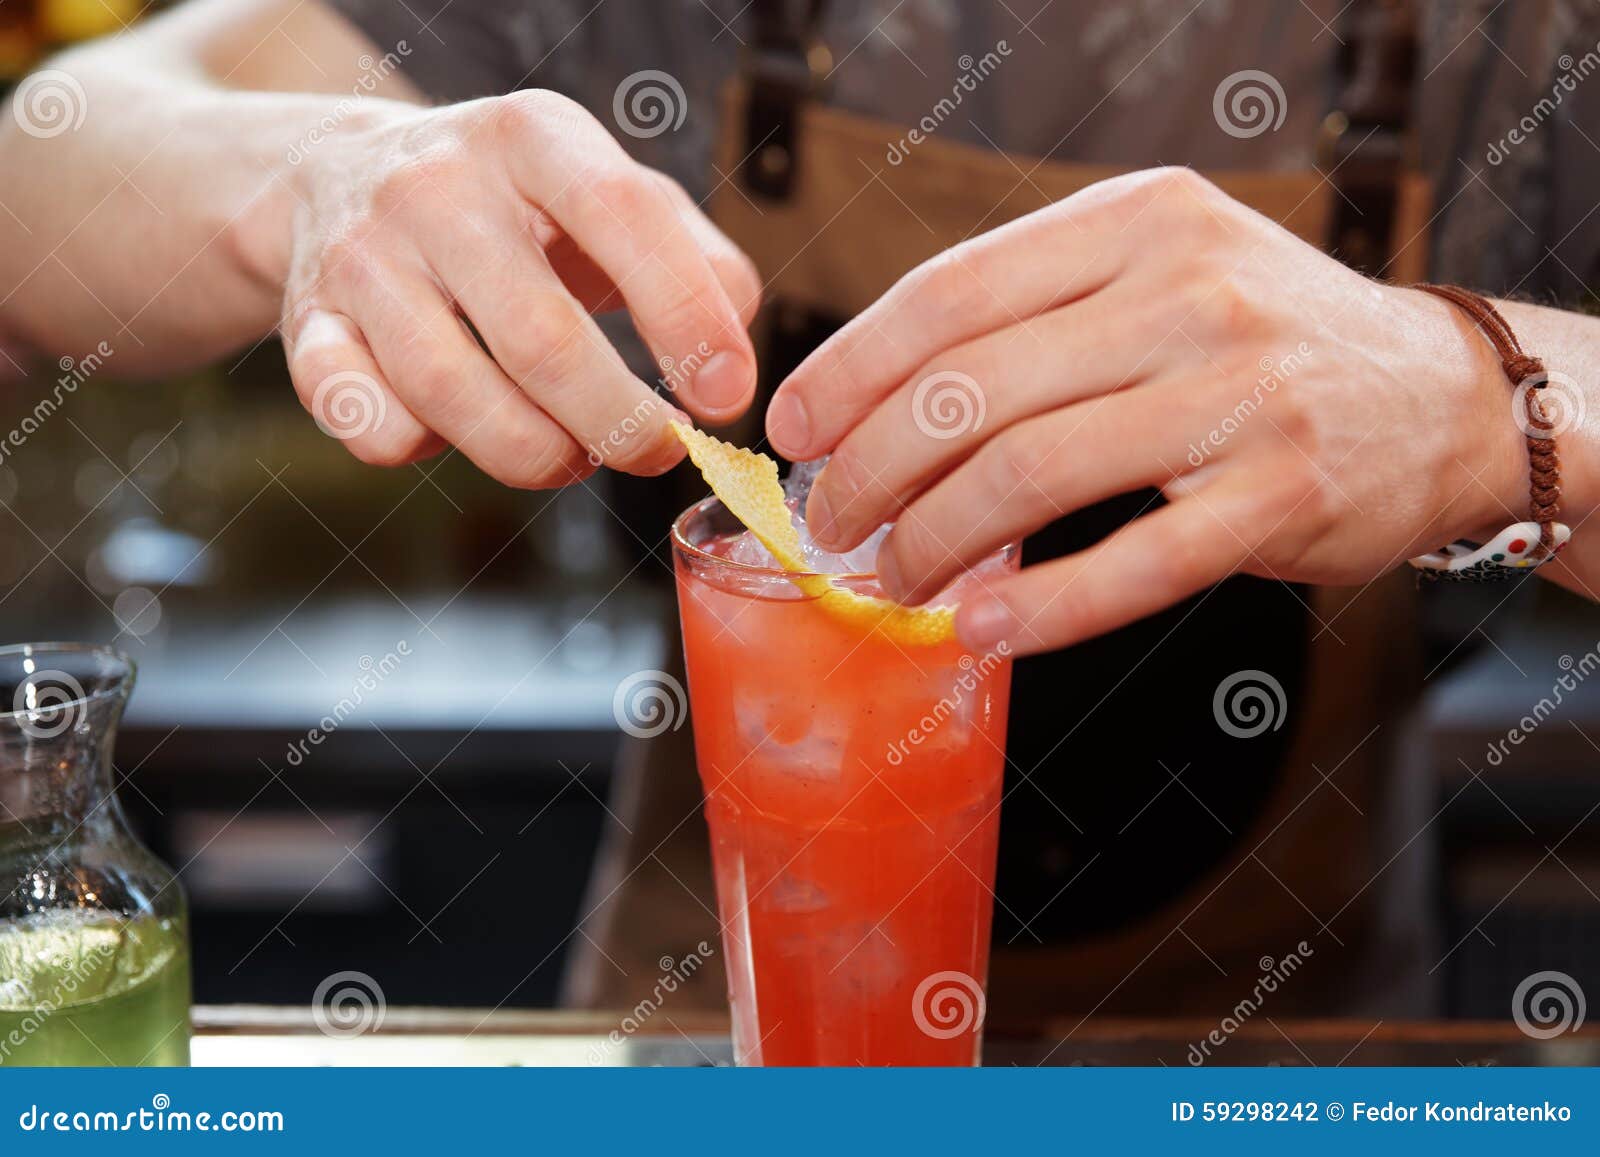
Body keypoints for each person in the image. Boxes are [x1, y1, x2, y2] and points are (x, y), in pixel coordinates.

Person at [3, 0, 1598, 1022]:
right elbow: (50, 161)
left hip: (1280, 1069)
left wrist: (1498, 400)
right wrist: (319, 175)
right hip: (713, 1046)